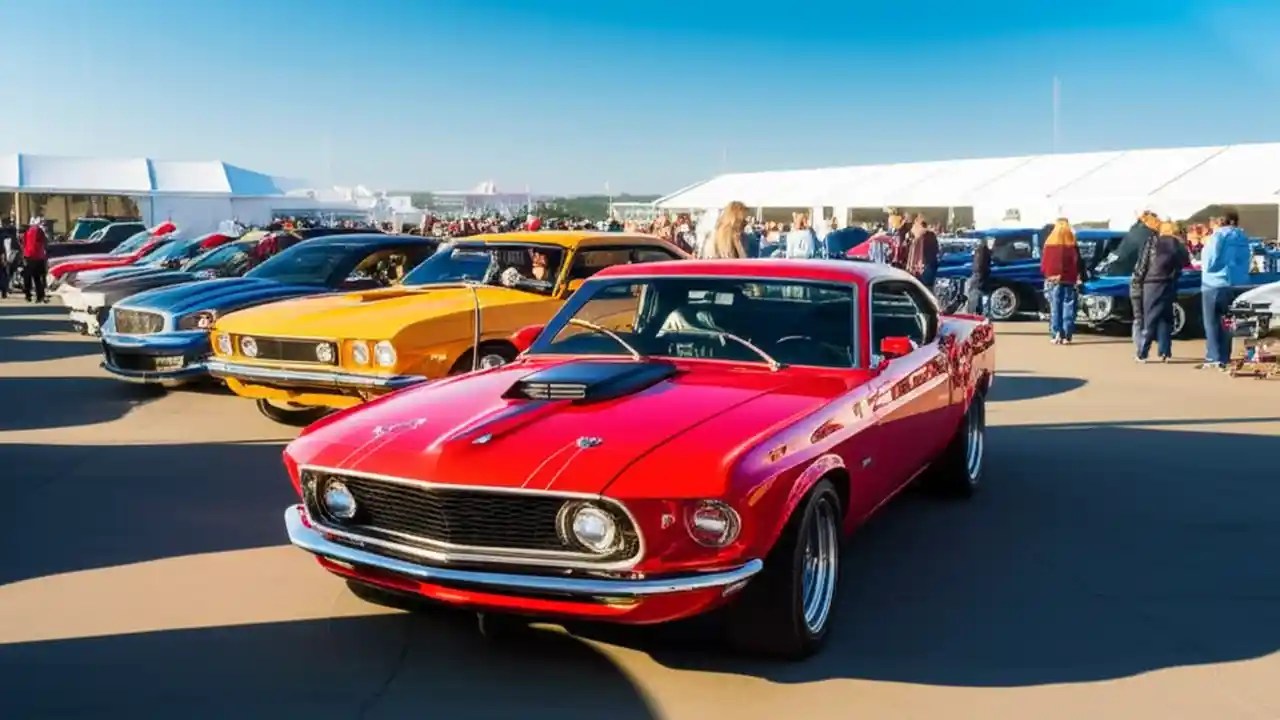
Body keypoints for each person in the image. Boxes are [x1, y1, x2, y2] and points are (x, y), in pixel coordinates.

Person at [1198, 208, 1252, 369]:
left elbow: (1210, 261)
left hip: (1214, 283)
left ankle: (1213, 357)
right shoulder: (1243, 236)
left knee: (1212, 322)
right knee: (1227, 322)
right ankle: (1224, 356)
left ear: (1219, 221)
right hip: (1237, 283)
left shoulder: (1217, 236)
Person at [1134, 220, 1191, 363]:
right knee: (1166, 318)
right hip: (1169, 283)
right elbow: (1186, 262)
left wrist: (1137, 281)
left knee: (1150, 318)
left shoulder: (1153, 242)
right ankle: (1165, 352)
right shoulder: (1178, 245)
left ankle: (1142, 352)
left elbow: (1143, 263)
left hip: (1152, 283)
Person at [1112, 211, 1160, 353]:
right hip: (1149, 282)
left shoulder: (1133, 232)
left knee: (1138, 318)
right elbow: (1145, 262)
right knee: (1148, 317)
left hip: (1135, 281)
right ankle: (1148, 347)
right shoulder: (1150, 237)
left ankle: (1140, 348)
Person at [1039, 218, 1087, 344]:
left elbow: (1044, 262)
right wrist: (1080, 276)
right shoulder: (1071, 240)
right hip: (1069, 280)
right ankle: (1067, 336)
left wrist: (1047, 273)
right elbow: (1078, 261)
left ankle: (1056, 334)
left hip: (1053, 280)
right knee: (1068, 307)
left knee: (1055, 307)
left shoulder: (1050, 241)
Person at [905, 216, 939, 289]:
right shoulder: (930, 235)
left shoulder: (916, 237)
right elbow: (936, 250)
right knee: (928, 290)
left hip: (917, 269)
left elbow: (911, 254)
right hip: (929, 266)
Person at [22, 216, 50, 303]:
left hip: (29, 256)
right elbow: (45, 242)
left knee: (27, 277)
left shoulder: (27, 232)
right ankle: (39, 296)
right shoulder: (40, 231)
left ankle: (28, 294)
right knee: (38, 278)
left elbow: (24, 243)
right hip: (39, 257)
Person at [965, 236, 993, 315]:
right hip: (982, 275)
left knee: (974, 293)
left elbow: (978, 265)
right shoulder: (985, 251)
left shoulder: (980, 251)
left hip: (978, 274)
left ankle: (972, 312)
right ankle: (981, 312)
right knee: (981, 294)